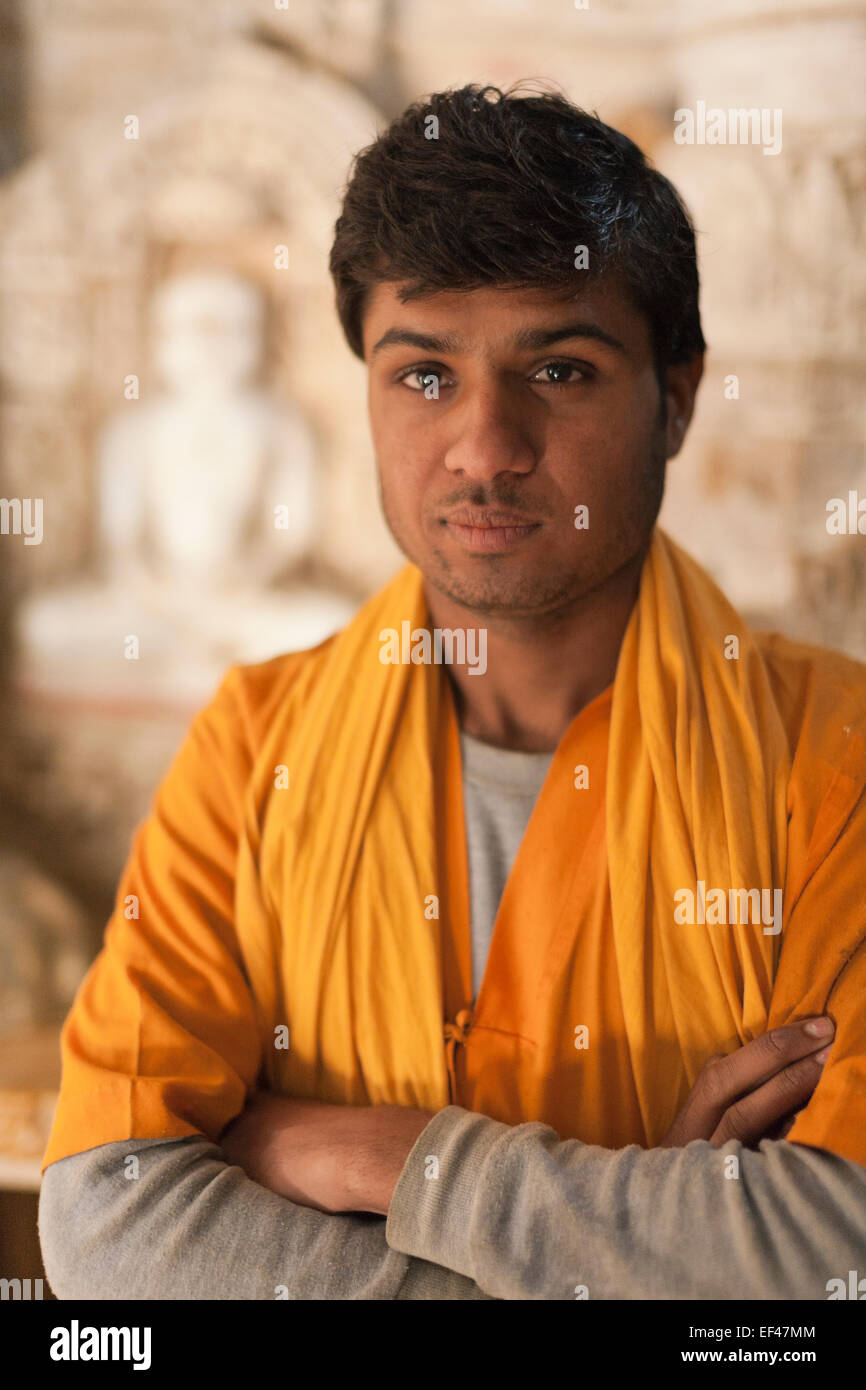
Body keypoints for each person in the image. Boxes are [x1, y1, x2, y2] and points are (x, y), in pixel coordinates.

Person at [38, 83, 866, 1301]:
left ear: (676, 396)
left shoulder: (830, 758)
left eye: (562, 369)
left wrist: (388, 1158)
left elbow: (834, 1247)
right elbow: (107, 1218)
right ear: (363, 392)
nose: (484, 445)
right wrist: (638, 1236)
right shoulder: (255, 747)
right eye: (423, 375)